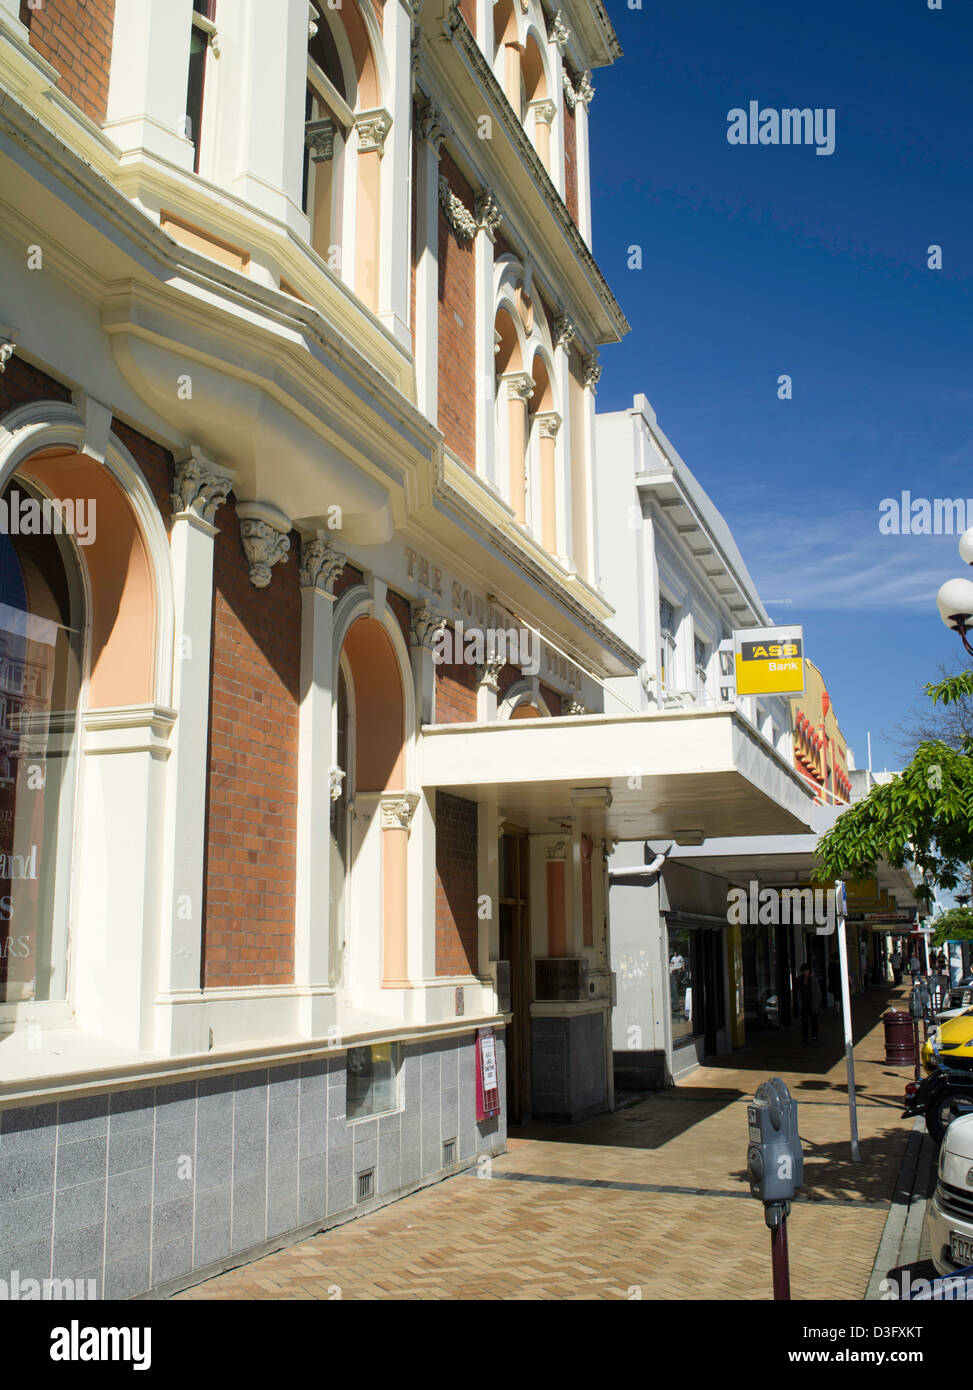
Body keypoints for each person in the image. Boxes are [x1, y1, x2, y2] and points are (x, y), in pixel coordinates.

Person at [796, 963, 822, 1043]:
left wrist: (817, 1003)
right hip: (804, 1003)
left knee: (814, 1020)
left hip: (812, 1003)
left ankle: (815, 1036)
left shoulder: (813, 980)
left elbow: (818, 992)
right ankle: (805, 1037)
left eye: (807, 971)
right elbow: (798, 992)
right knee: (804, 1021)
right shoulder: (799, 980)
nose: (805, 972)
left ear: (809, 971)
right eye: (804, 971)